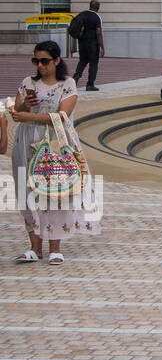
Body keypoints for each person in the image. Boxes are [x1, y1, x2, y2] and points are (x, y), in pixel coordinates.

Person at [10, 40, 98, 264]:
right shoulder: (28, 82)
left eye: (45, 61)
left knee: (55, 192)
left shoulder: (67, 84)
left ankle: (55, 247)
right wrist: (23, 106)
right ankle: (34, 247)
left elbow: (62, 116)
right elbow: (16, 111)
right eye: (36, 60)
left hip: (55, 142)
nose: (40, 65)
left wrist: (28, 116)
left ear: (57, 60)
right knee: (27, 191)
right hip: (27, 141)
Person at [69, 0, 104, 91]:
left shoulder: (81, 15)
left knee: (82, 61)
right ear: (97, 7)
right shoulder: (96, 17)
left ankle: (76, 78)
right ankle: (90, 84)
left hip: (82, 43)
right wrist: (102, 47)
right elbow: (98, 33)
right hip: (93, 43)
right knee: (93, 63)